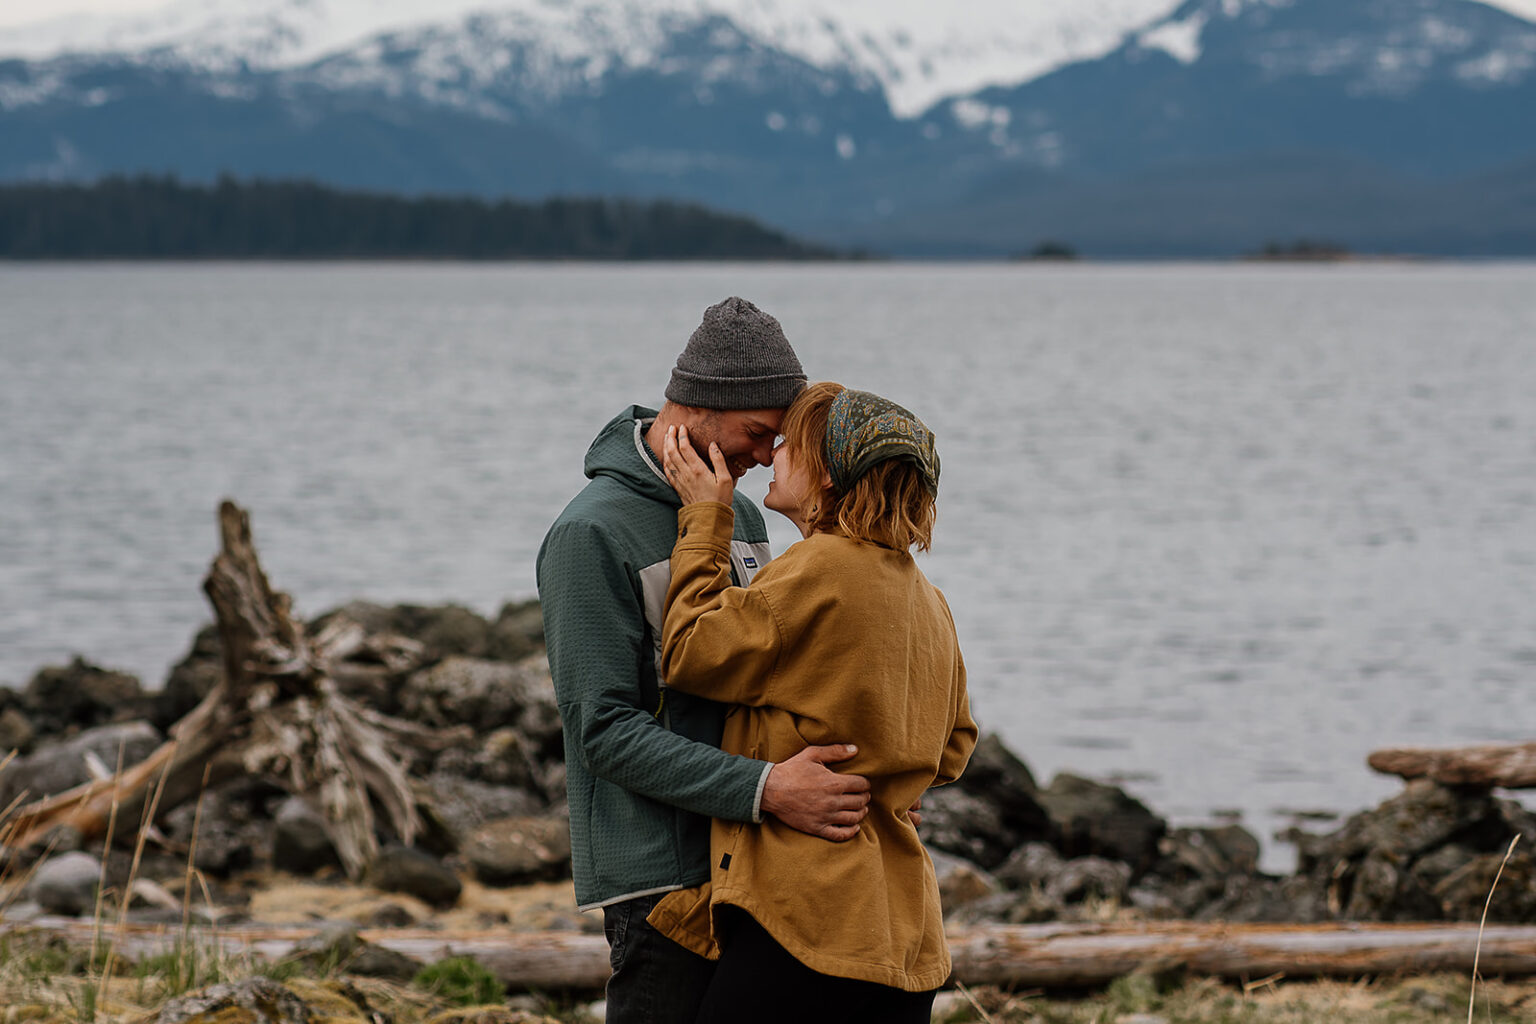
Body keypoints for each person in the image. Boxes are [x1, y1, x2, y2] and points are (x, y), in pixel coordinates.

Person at [537, 298, 873, 1024]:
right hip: (663, 879)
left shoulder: (745, 518)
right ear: (697, 412)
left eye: (776, 440)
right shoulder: (588, 534)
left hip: (752, 863)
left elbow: (766, 673)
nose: (766, 457)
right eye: (757, 434)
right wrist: (766, 789)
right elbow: (601, 730)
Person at [649, 381, 977, 1024]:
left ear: (827, 473)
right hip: (902, 935)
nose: (772, 457)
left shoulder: (819, 566)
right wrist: (891, 780)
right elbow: (955, 743)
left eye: (790, 445)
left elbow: (688, 651)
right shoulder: (929, 599)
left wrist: (706, 519)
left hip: (805, 920)